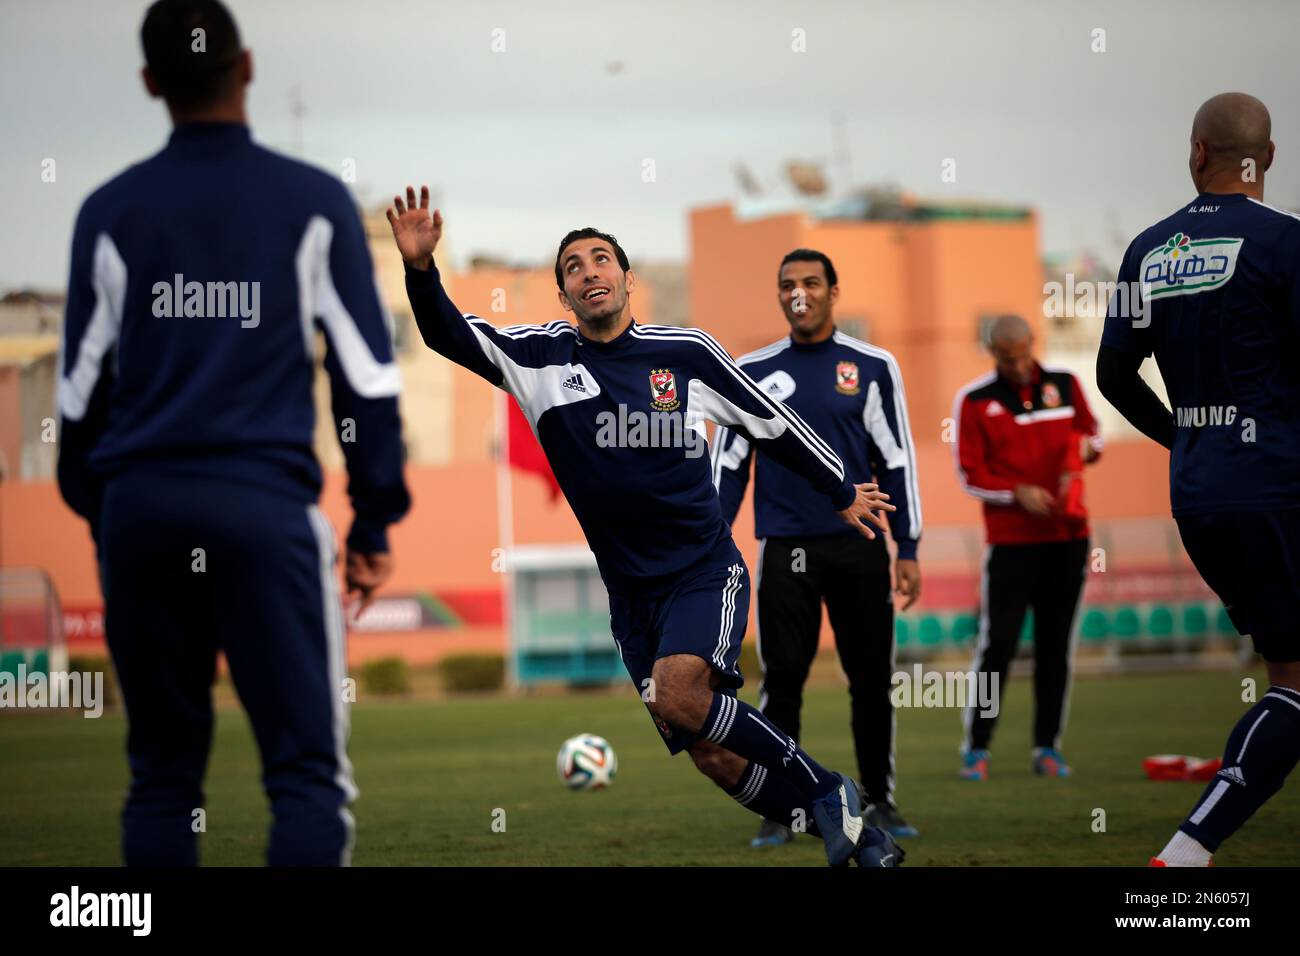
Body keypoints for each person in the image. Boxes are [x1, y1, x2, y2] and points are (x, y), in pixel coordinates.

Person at [387, 186, 903, 866]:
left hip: (701, 570)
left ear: (628, 281)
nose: (589, 271)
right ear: (564, 297)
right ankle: (857, 839)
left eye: (602, 259)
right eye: (573, 267)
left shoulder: (685, 353)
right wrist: (422, 271)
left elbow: (769, 422)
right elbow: (446, 334)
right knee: (710, 755)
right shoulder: (537, 359)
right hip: (631, 598)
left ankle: (830, 789)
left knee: (685, 696)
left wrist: (840, 487)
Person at [56, 0, 409, 865]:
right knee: (304, 779)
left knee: (163, 779)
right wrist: (372, 519)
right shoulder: (314, 201)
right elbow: (365, 382)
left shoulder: (108, 212)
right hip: (263, 515)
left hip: (140, 517)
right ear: (245, 67)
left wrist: (113, 517)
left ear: (149, 84)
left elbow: (74, 405)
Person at [1097, 92, 1300, 867]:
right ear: (1269, 159)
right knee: (1293, 681)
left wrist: (1183, 439)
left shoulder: (1147, 250)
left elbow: (1114, 374)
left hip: (1201, 495)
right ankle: (1188, 850)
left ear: (1195, 153)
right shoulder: (1286, 244)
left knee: (1285, 669)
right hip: (1281, 488)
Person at [713, 248, 922, 846]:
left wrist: (906, 544)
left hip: (859, 549)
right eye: (787, 284)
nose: (798, 292)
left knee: (870, 679)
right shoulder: (748, 370)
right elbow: (729, 467)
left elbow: (898, 459)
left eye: (810, 282)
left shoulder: (873, 365)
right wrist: (712, 542)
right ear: (779, 295)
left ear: (833, 291)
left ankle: (878, 800)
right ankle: (784, 808)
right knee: (782, 682)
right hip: (786, 551)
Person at [952, 315, 1101, 780]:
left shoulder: (1065, 383)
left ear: (1032, 344)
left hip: (1069, 539)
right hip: (1012, 545)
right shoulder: (975, 400)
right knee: (999, 646)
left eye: (1020, 354)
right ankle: (977, 748)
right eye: (1004, 356)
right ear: (992, 352)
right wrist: (1017, 492)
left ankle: (1046, 748)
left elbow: (1094, 435)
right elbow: (970, 475)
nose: (1015, 364)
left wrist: (1081, 454)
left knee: (1056, 648)